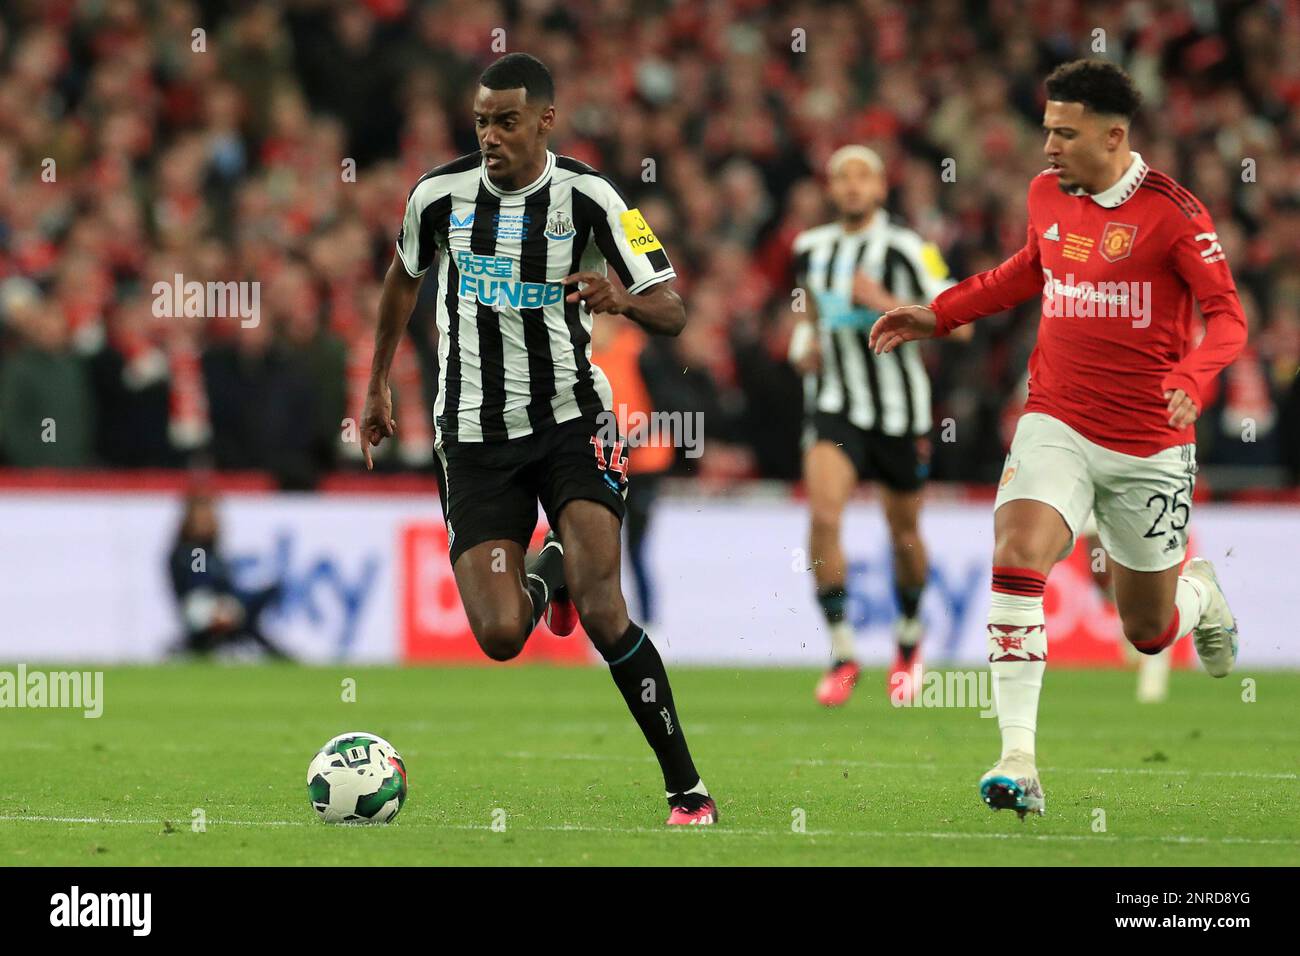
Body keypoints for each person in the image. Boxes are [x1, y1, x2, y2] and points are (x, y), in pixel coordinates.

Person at [870, 59, 1245, 818]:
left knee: (1146, 631)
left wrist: (1195, 379)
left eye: (1064, 133)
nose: (1047, 147)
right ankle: (1018, 760)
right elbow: (1025, 272)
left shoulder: (1175, 214)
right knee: (1017, 550)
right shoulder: (1046, 195)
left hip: (1147, 442)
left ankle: (1201, 596)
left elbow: (1230, 318)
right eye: (1046, 129)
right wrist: (936, 314)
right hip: (1056, 418)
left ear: (1113, 137)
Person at [360, 53, 716, 825]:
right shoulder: (438, 195)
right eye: (483, 121)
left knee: (604, 608)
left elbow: (674, 309)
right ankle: (542, 572)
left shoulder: (591, 198)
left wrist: (620, 298)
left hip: (571, 421)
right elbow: (402, 279)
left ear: (545, 121)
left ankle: (686, 789)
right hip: (473, 438)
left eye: (507, 121)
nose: (491, 135)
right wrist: (379, 380)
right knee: (498, 635)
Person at [787, 145, 958, 707]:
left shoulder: (910, 248)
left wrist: (884, 301)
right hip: (834, 404)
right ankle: (842, 651)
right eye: (843, 177)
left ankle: (908, 640)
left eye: (864, 176)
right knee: (823, 516)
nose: (854, 186)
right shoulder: (810, 248)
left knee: (904, 533)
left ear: (882, 188)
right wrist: (802, 343)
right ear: (830, 189)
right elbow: (807, 313)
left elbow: (960, 326)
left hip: (899, 412)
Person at [168, 491, 290, 659]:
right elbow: (199, 586)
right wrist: (217, 610)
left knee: (269, 592)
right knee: (248, 605)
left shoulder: (210, 551)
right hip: (210, 610)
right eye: (202, 517)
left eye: (210, 515)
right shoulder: (196, 551)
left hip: (226, 602)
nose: (208, 521)